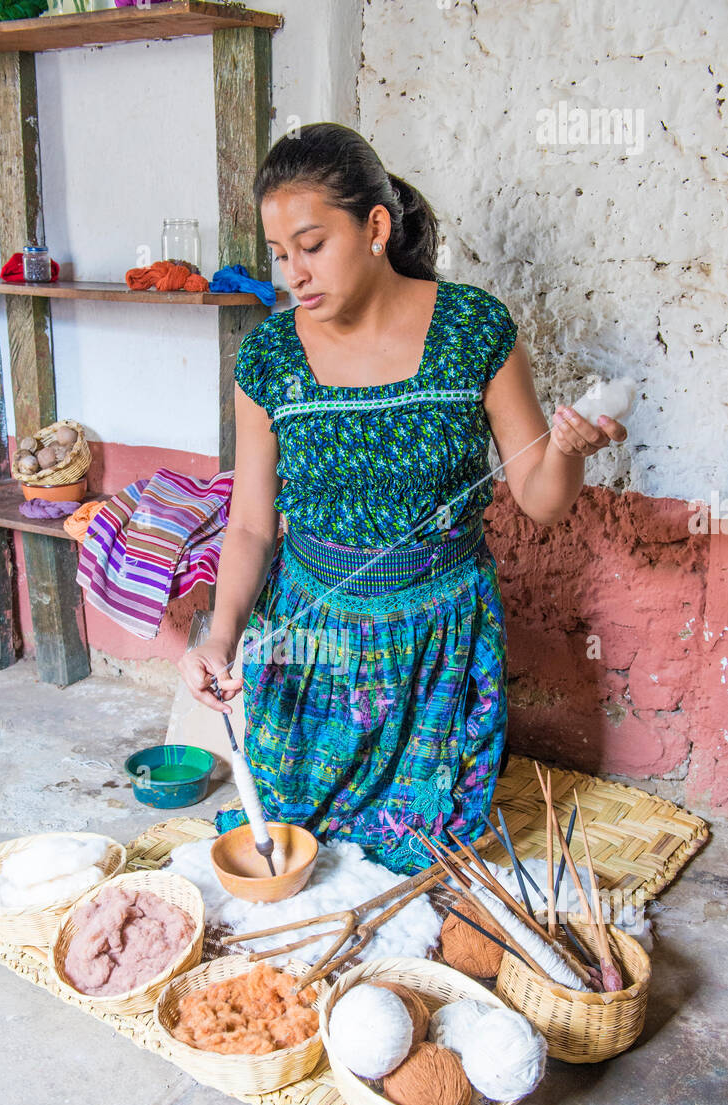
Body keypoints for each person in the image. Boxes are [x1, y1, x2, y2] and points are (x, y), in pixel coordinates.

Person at [177, 123, 627, 874]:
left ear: (375, 226)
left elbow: (540, 502)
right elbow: (253, 524)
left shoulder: (471, 329)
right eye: (281, 253)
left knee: (429, 859)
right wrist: (220, 637)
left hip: (439, 647)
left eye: (312, 245)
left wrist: (566, 453)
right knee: (289, 852)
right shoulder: (267, 357)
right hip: (309, 642)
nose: (295, 272)